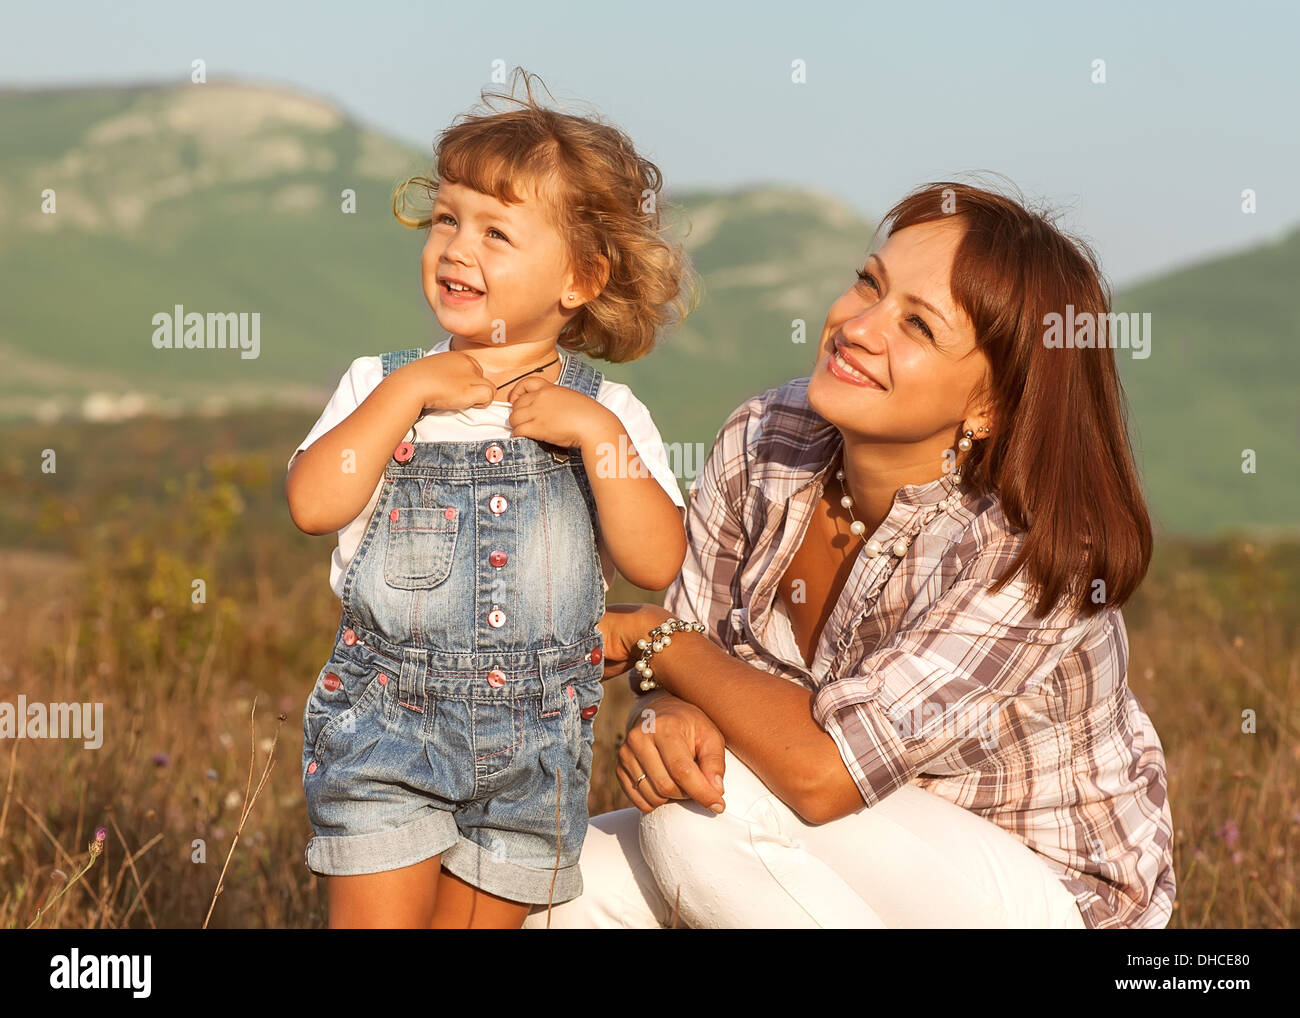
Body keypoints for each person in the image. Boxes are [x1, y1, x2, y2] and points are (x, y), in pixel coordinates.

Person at [525, 180, 1176, 929]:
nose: (860, 327)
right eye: (870, 282)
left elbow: (822, 772)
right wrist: (665, 715)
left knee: (699, 816)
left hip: (1038, 891)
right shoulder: (766, 436)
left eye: (919, 326)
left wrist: (655, 644)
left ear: (992, 405)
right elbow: (696, 654)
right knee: (542, 892)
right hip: (810, 845)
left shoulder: (1035, 551)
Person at [285, 71, 690, 928]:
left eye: (497, 232)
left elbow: (657, 562)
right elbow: (314, 502)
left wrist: (599, 441)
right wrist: (406, 397)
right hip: (386, 731)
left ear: (579, 278)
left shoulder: (608, 414)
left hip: (536, 756)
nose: (457, 249)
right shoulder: (382, 383)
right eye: (446, 220)